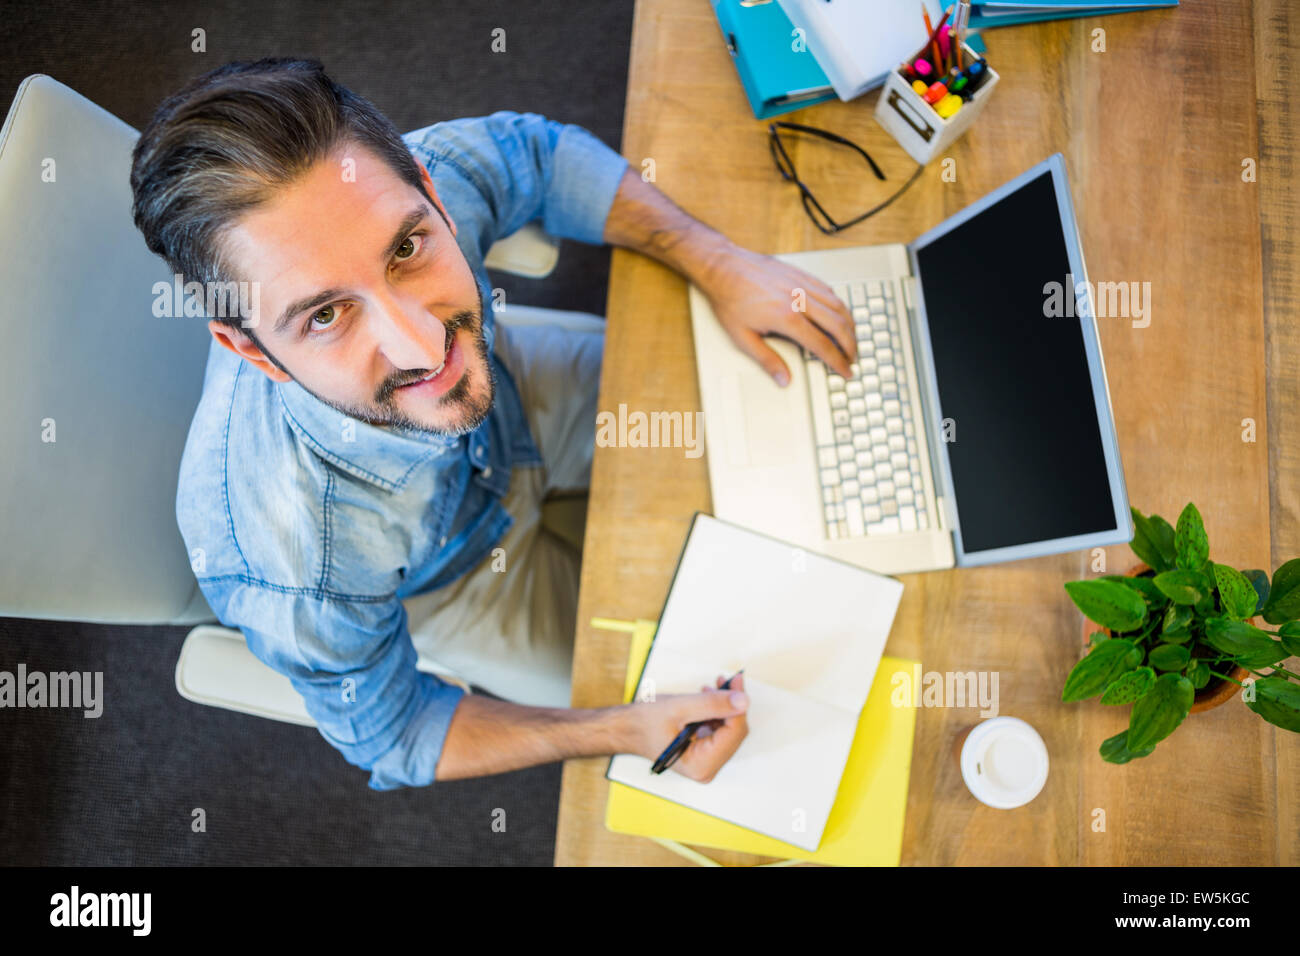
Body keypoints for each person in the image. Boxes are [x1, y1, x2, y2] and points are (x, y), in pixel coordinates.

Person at [130, 58, 856, 790]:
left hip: (517, 396)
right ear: (254, 352)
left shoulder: (372, 186)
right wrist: (623, 730)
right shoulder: (289, 563)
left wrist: (720, 262)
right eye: (325, 316)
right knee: (743, 682)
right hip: (458, 582)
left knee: (802, 425)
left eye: (406, 251)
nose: (424, 349)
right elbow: (398, 735)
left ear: (433, 196)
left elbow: (539, 155)